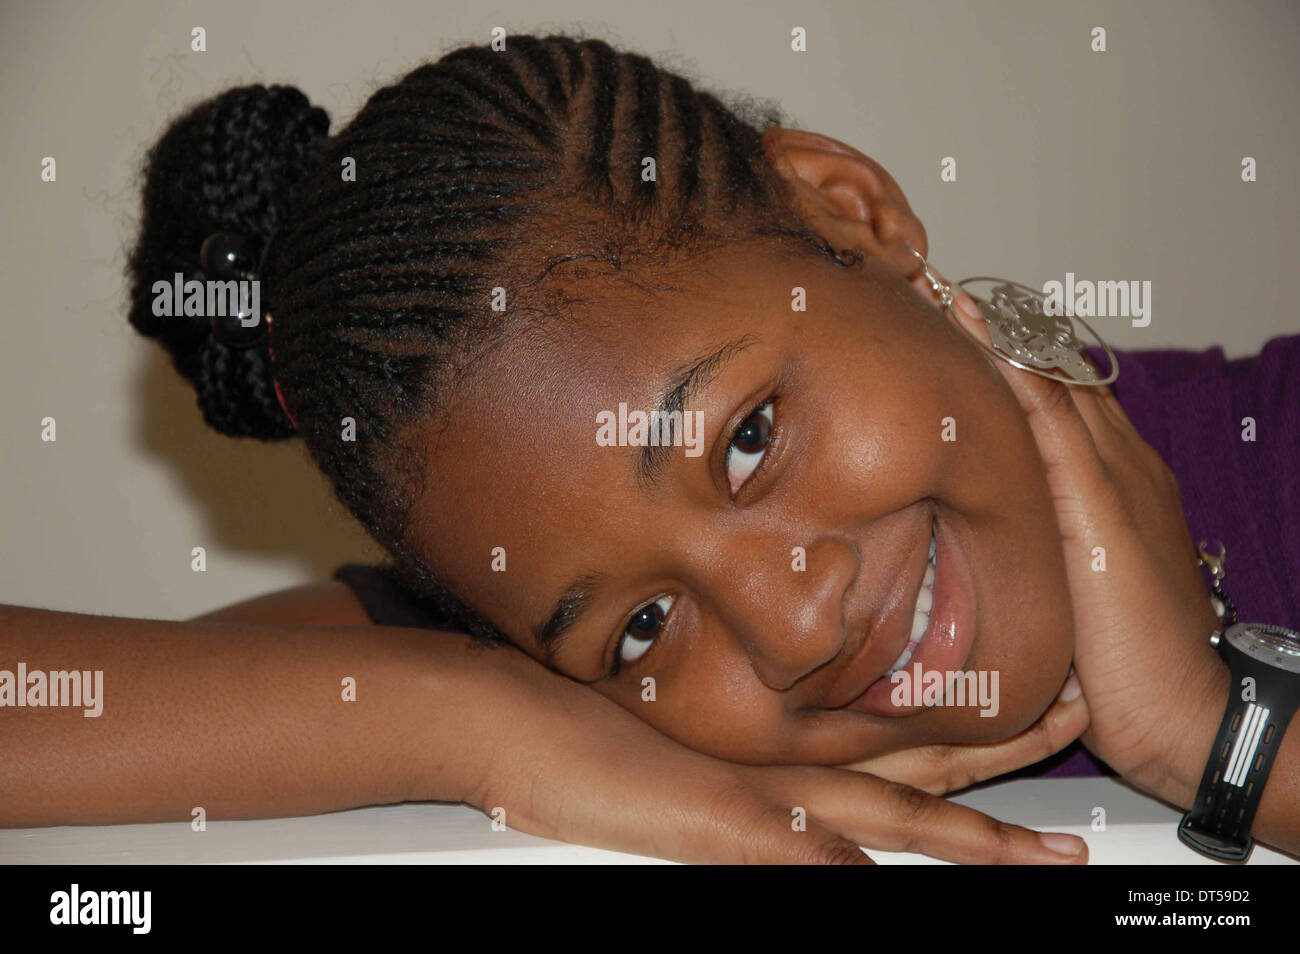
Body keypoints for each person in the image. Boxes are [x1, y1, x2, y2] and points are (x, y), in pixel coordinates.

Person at [3, 33, 1296, 863]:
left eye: (746, 441)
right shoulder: (535, 683)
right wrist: (484, 726)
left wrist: (1215, 734)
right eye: (634, 628)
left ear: (849, 215)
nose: (787, 630)